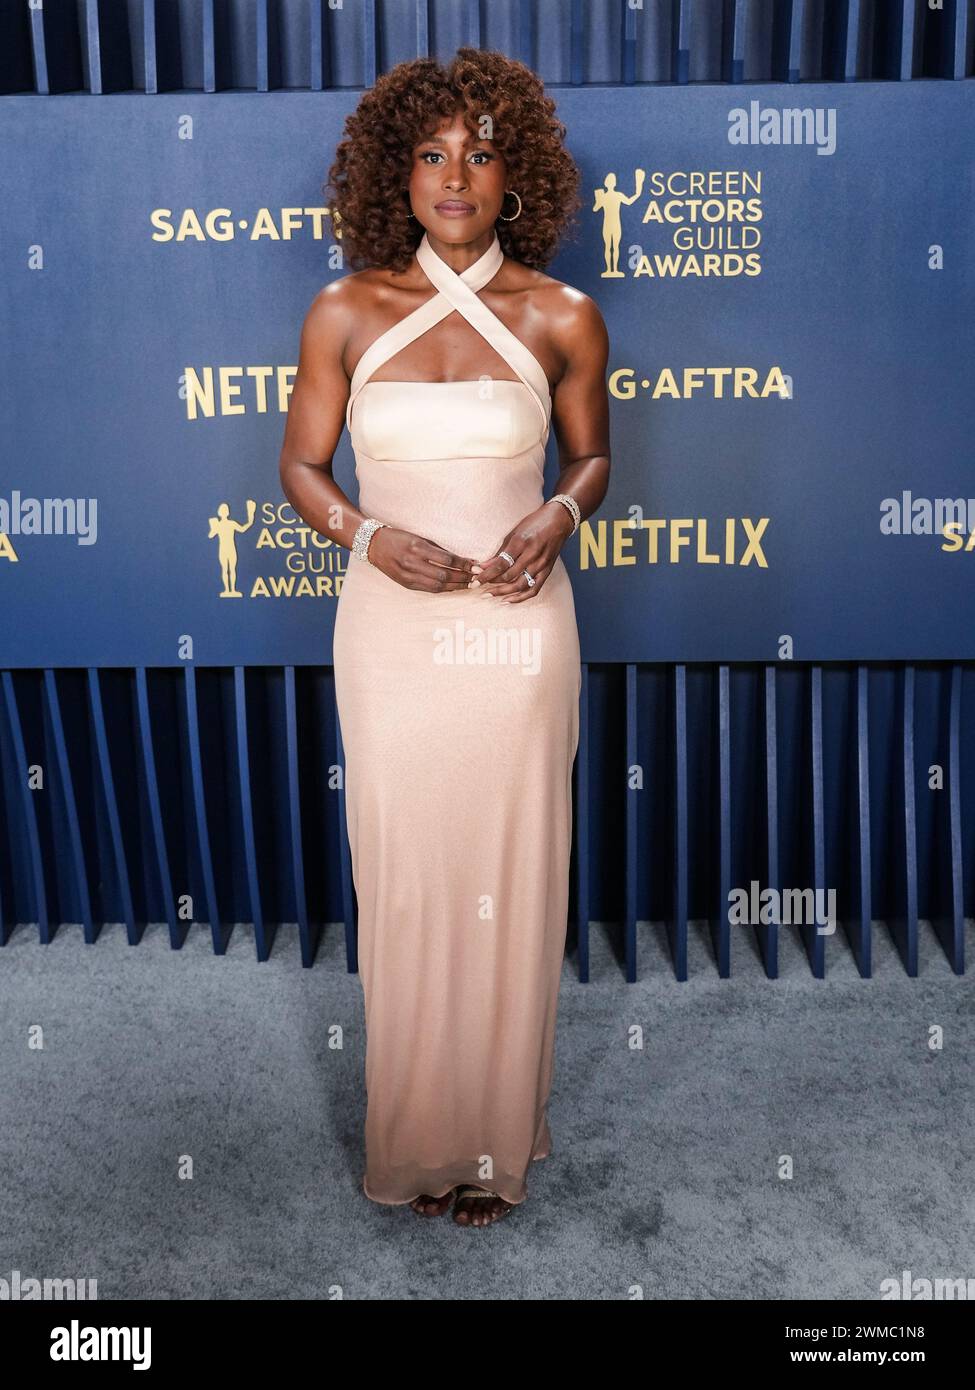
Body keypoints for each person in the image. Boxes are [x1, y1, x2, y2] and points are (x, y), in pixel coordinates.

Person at [279, 47, 610, 1228]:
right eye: (430, 154)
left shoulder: (564, 313)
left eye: (478, 149)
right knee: (410, 880)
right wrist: (369, 539)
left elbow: (592, 457)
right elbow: (301, 470)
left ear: (516, 168)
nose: (455, 175)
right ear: (395, 175)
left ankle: (492, 1144)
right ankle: (417, 1139)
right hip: (391, 636)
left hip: (519, 633)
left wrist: (560, 514)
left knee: (514, 873)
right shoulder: (346, 309)